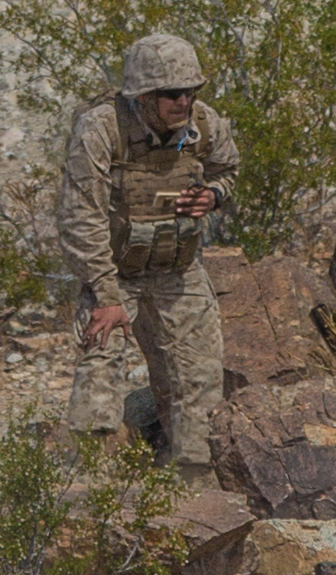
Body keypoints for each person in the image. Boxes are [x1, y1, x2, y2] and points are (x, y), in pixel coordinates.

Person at [60, 34, 239, 488]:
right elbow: (80, 218)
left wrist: (212, 196)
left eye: (191, 91)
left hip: (178, 269)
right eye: (172, 94)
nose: (184, 102)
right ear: (142, 96)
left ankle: (196, 487)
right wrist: (105, 296)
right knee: (100, 374)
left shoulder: (205, 125)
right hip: (115, 274)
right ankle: (88, 489)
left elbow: (228, 171)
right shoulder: (102, 130)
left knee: (199, 379)